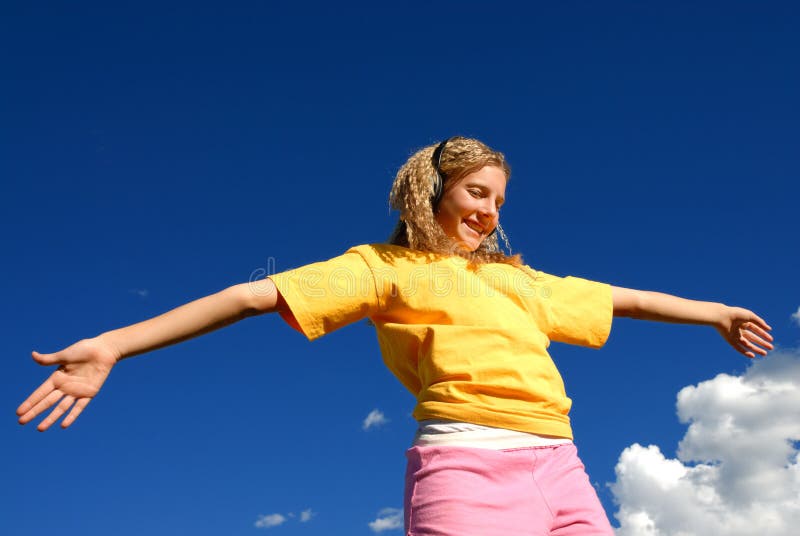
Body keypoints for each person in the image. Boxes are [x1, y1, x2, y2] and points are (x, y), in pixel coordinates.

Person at [17, 136, 773, 535]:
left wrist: (717, 311)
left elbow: (629, 299)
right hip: (468, 463)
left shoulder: (520, 280)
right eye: (476, 191)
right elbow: (251, 296)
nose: (488, 209)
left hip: (562, 466)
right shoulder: (382, 268)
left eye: (498, 198)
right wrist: (116, 341)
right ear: (432, 188)